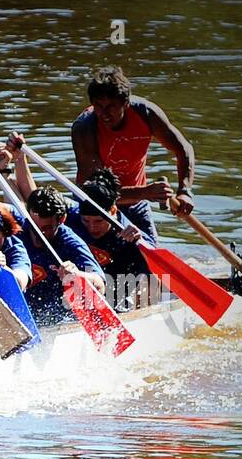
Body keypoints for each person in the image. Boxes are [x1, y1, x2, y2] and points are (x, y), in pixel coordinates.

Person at [70, 65, 197, 240]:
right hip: (95, 211)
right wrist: (146, 192)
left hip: (136, 204)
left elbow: (183, 150)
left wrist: (184, 191)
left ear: (126, 103)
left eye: (110, 107)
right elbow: (94, 192)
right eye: (98, 106)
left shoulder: (146, 114)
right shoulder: (85, 128)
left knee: (152, 258)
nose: (104, 114)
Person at [14, 187, 106, 326]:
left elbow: (100, 283)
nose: (40, 235)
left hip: (60, 318)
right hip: (24, 313)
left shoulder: (70, 242)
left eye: (47, 228)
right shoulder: (16, 232)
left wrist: (78, 274)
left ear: (61, 219)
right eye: (36, 228)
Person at [65, 168, 154, 307]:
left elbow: (157, 269)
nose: (92, 228)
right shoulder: (72, 214)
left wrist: (139, 240)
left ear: (112, 211)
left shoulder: (127, 231)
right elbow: (30, 196)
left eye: (98, 221)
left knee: (152, 280)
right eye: (86, 221)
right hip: (94, 279)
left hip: (124, 283)